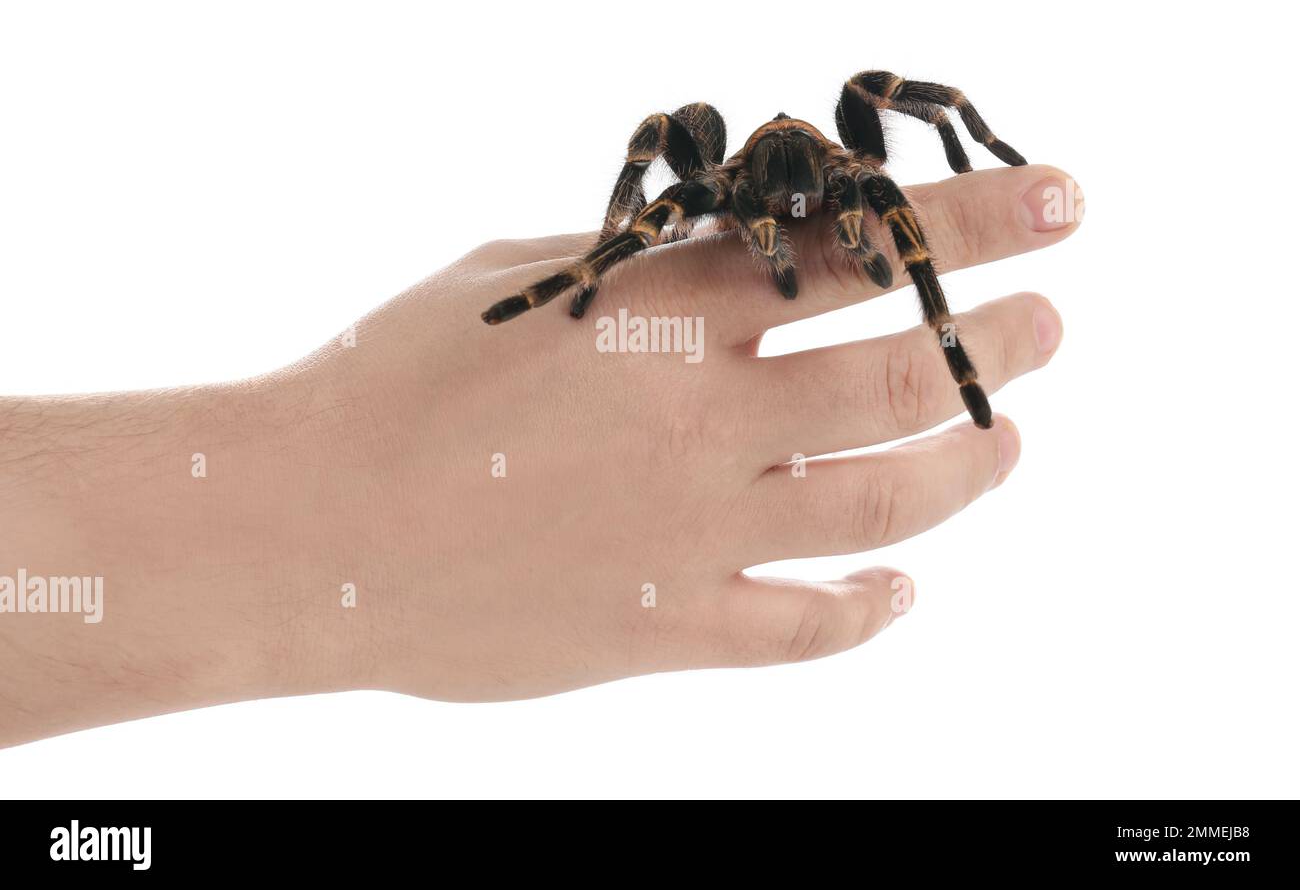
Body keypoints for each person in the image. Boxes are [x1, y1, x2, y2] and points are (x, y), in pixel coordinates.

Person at [0, 164, 1079, 747]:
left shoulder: (849, 175)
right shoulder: (722, 185)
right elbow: (666, 175)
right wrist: (606, 261)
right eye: (761, 220)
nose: (777, 233)